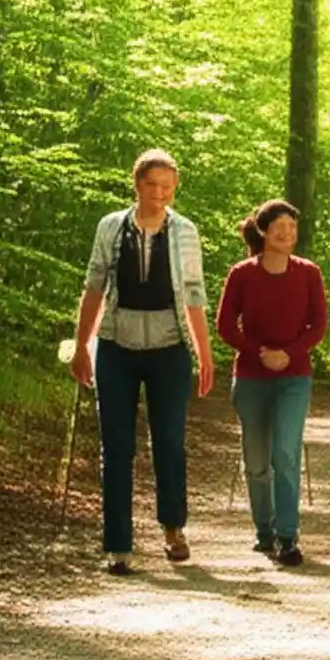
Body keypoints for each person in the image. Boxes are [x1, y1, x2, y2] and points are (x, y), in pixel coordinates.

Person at [68, 149, 215, 575]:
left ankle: (173, 529)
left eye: (167, 187)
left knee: (169, 442)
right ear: (137, 184)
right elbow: (94, 286)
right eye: (152, 185)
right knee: (117, 448)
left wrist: (204, 355)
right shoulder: (111, 227)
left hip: (169, 348)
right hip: (116, 345)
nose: (159, 194)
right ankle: (118, 544)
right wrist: (83, 346)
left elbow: (194, 294)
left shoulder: (185, 231)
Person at [216, 200, 327, 567]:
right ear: (263, 231)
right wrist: (258, 351)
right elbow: (226, 325)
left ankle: (287, 536)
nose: (287, 233)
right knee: (257, 460)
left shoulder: (309, 273)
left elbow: (318, 325)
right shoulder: (242, 274)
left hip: (294, 377)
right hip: (251, 377)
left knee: (285, 453)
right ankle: (264, 530)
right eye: (280, 226)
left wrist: (290, 353)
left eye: (292, 227)